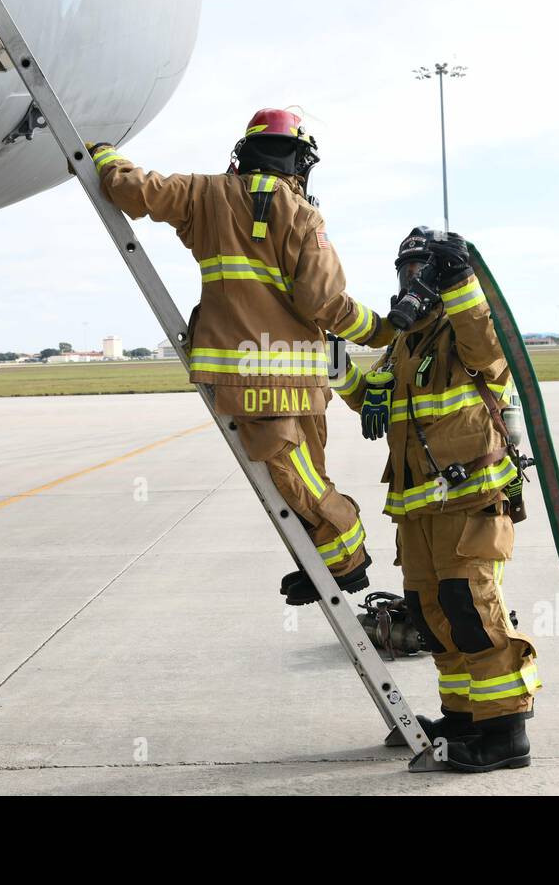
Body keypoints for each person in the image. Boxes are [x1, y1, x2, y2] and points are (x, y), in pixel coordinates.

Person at [85, 109, 393, 605]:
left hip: (250, 379)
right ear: (297, 160)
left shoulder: (204, 194)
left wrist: (102, 155)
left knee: (296, 482)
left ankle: (344, 559)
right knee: (303, 478)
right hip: (299, 379)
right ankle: (332, 561)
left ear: (244, 152)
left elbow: (136, 191)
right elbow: (326, 304)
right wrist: (378, 331)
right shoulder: (304, 216)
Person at [335, 227, 541, 772]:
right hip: (418, 507)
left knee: (471, 609)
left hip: (469, 499)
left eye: (421, 270)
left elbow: (491, 352)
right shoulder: (405, 342)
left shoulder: (465, 327)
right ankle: (462, 716)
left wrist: (462, 282)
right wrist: (337, 368)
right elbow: (373, 403)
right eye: (403, 272)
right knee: (433, 617)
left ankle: (505, 732)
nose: (410, 283)